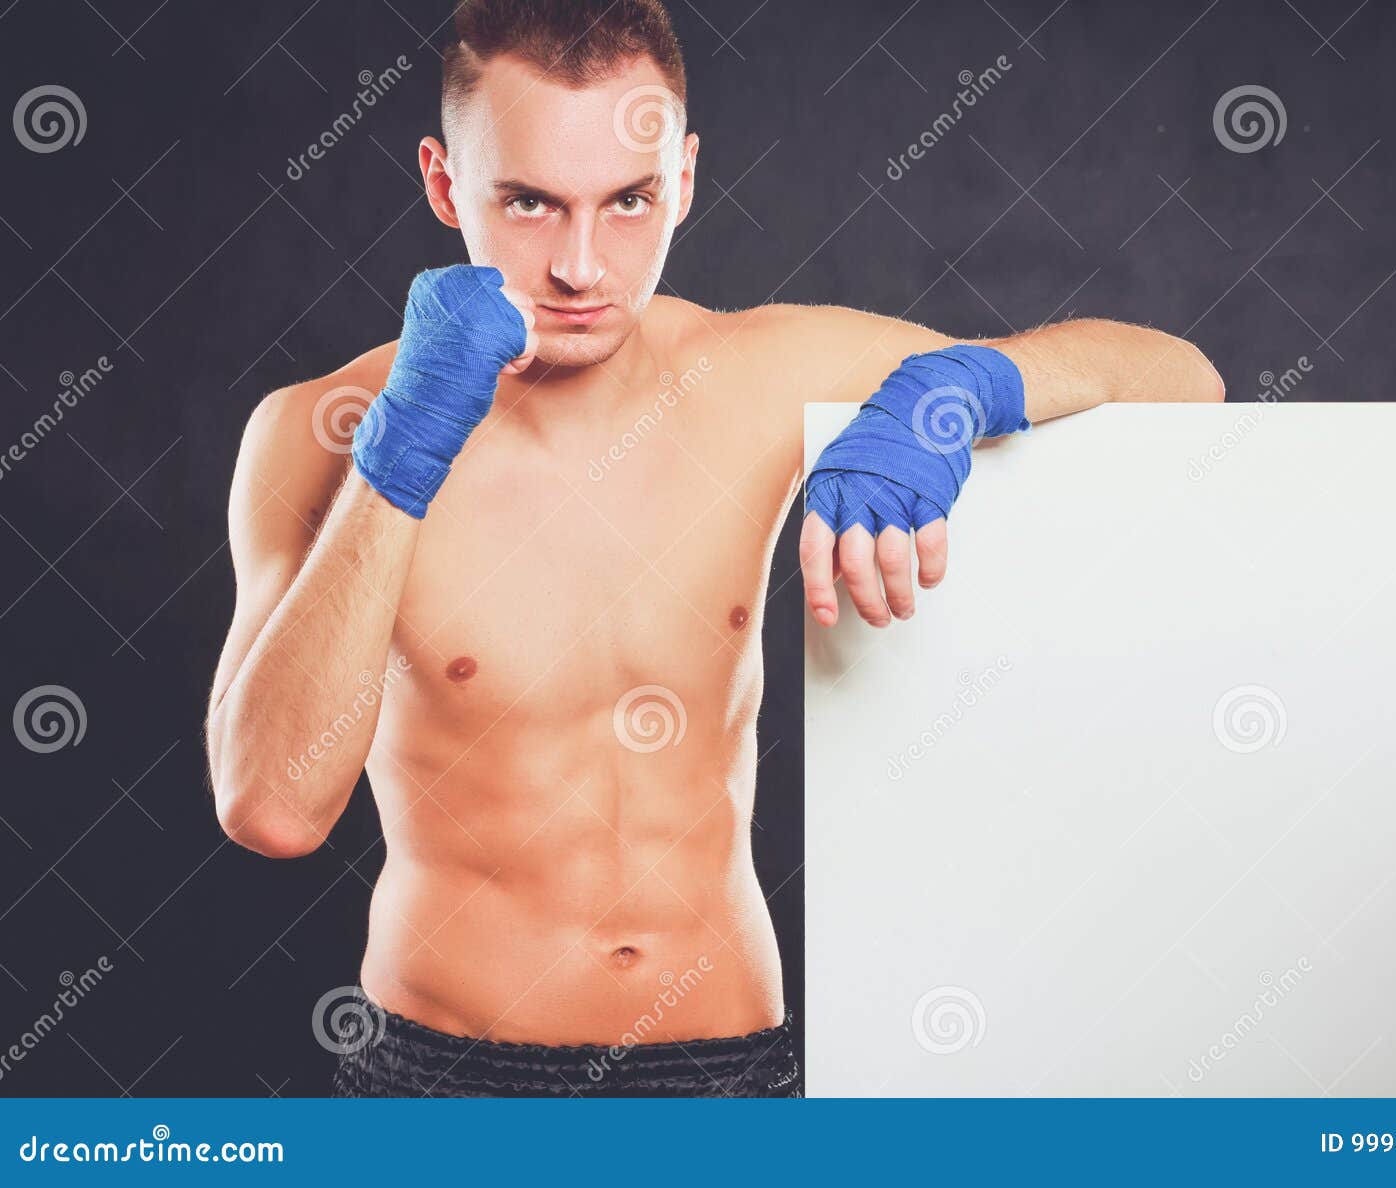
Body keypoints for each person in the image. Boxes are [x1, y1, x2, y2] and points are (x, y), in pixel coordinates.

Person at [205, 0, 1223, 1098]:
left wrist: (960, 384)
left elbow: (1184, 378)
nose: (582, 267)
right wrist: (398, 460)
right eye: (530, 204)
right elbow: (272, 808)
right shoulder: (322, 431)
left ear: (682, 179)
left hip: (725, 1069)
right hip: (442, 1078)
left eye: (628, 201)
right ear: (448, 185)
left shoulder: (757, 376)